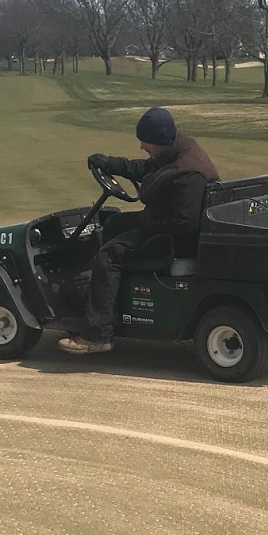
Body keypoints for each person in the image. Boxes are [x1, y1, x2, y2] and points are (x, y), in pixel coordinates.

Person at [59, 107, 220, 355]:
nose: (142, 146)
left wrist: (148, 227)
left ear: (160, 140)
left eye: (145, 141)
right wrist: (109, 163)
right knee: (112, 225)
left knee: (108, 255)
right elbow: (144, 169)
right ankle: (104, 308)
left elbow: (185, 222)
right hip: (163, 224)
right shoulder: (176, 149)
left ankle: (98, 335)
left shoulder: (187, 173)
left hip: (174, 239)